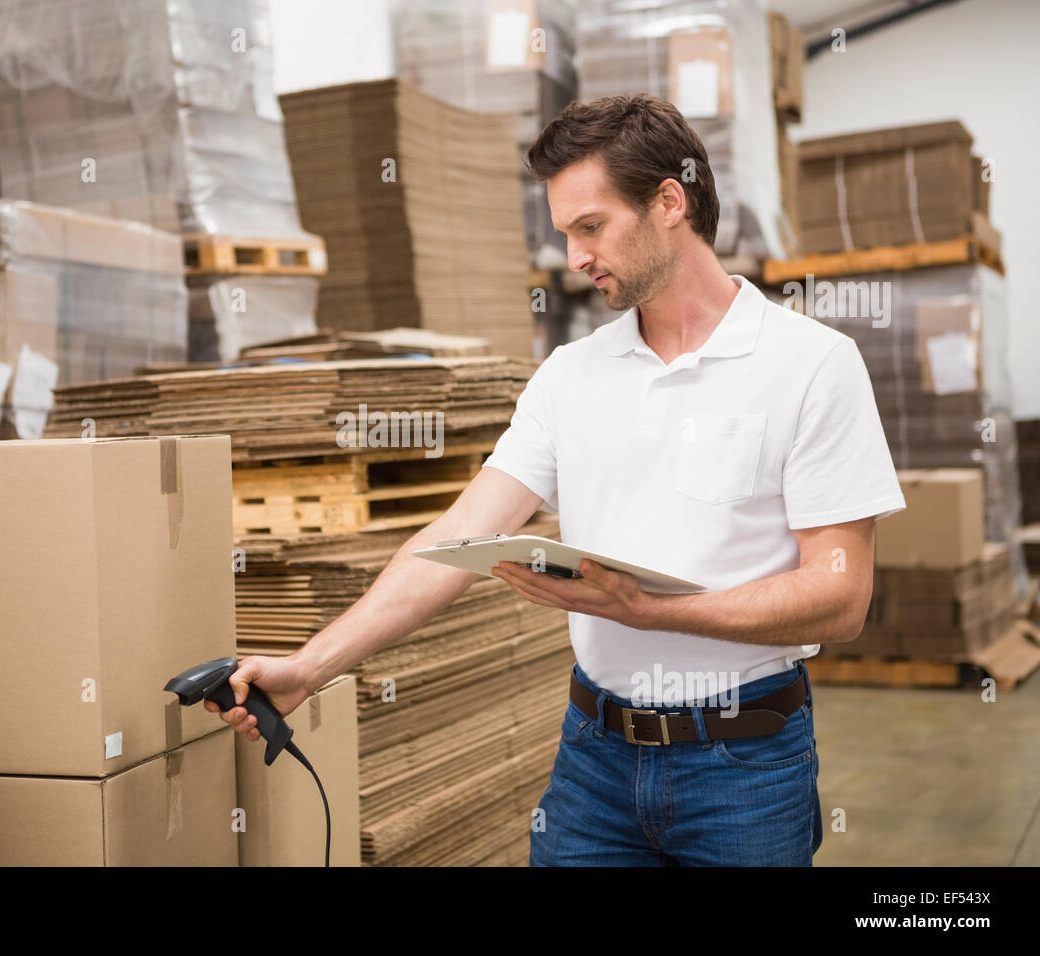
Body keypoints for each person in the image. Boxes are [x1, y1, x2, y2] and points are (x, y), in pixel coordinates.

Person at [206, 93, 907, 866]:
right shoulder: (571, 376)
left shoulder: (810, 365)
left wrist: (652, 612)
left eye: (589, 226)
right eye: (566, 232)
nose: (574, 256)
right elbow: (454, 537)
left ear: (669, 201)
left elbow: (841, 597)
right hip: (594, 761)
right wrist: (308, 667)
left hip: (743, 766)